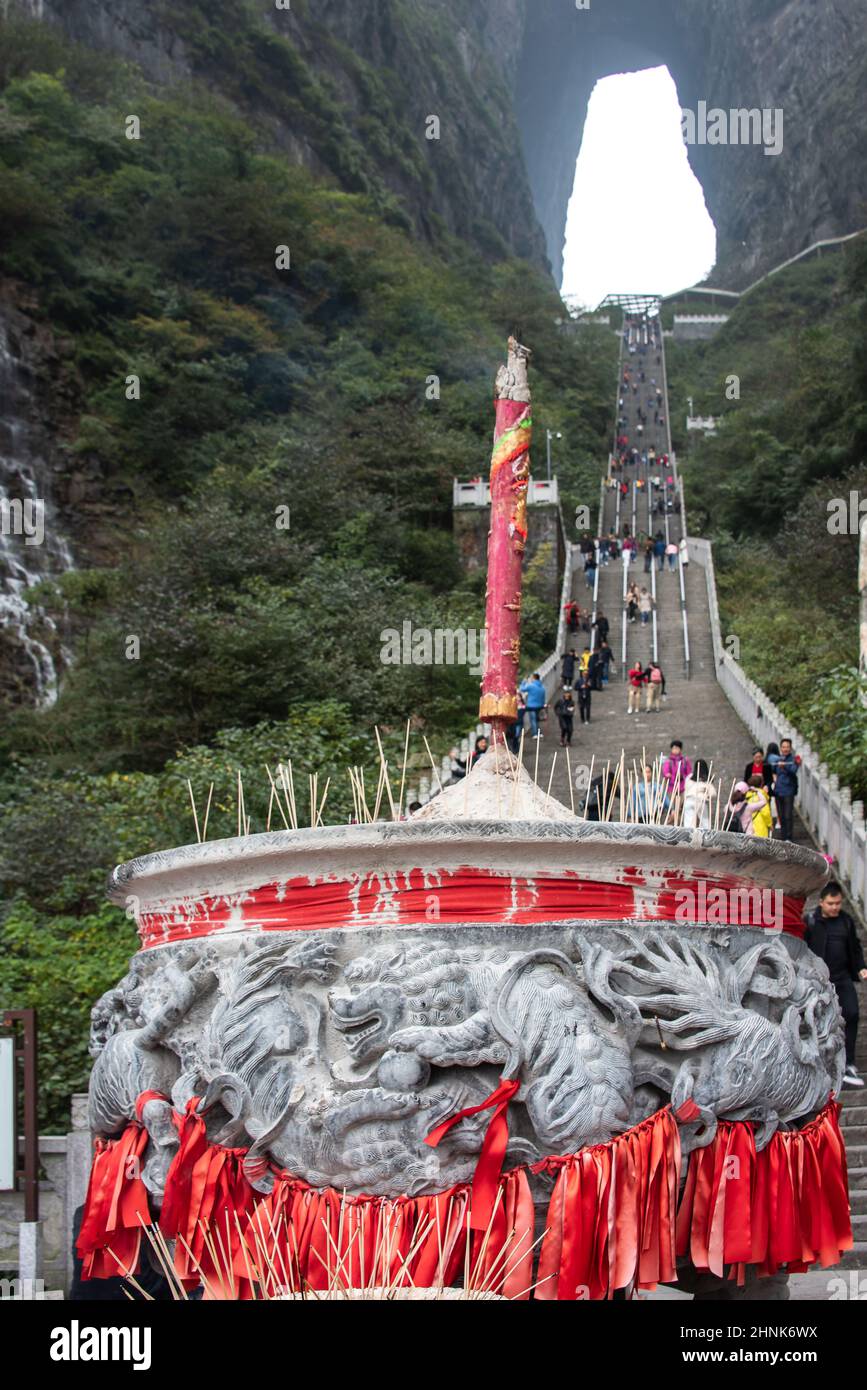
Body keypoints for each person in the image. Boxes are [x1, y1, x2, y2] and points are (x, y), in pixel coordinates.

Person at [804, 881, 867, 1087]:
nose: (835, 907)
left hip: (843, 978)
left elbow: (855, 948)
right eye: (831, 903)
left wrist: (861, 966)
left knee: (852, 1013)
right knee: (820, 1020)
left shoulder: (847, 921)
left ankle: (848, 1062)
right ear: (821, 902)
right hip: (821, 981)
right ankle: (822, 1063)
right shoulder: (811, 921)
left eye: (838, 903)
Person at [773, 738, 801, 841]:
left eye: (787, 747)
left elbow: (794, 770)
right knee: (781, 816)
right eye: (783, 747)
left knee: (788, 815)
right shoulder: (778, 759)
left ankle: (789, 837)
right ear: (780, 748)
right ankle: (783, 836)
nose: (785, 749)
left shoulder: (793, 760)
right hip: (778, 791)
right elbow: (773, 771)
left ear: (790, 748)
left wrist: (785, 767)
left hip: (788, 791)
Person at [682, 759, 716, 828]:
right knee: (705, 823)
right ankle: (705, 837)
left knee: (689, 823)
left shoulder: (689, 777)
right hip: (701, 801)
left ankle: (689, 837)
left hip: (689, 800)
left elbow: (685, 788)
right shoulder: (707, 779)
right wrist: (707, 795)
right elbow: (713, 793)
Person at [519, 672, 546, 739]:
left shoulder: (531, 686)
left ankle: (535, 734)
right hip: (539, 706)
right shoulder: (542, 686)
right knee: (536, 719)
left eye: (531, 678)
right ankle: (539, 733)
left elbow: (522, 689)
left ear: (534, 678)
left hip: (532, 706)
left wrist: (524, 681)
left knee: (533, 720)